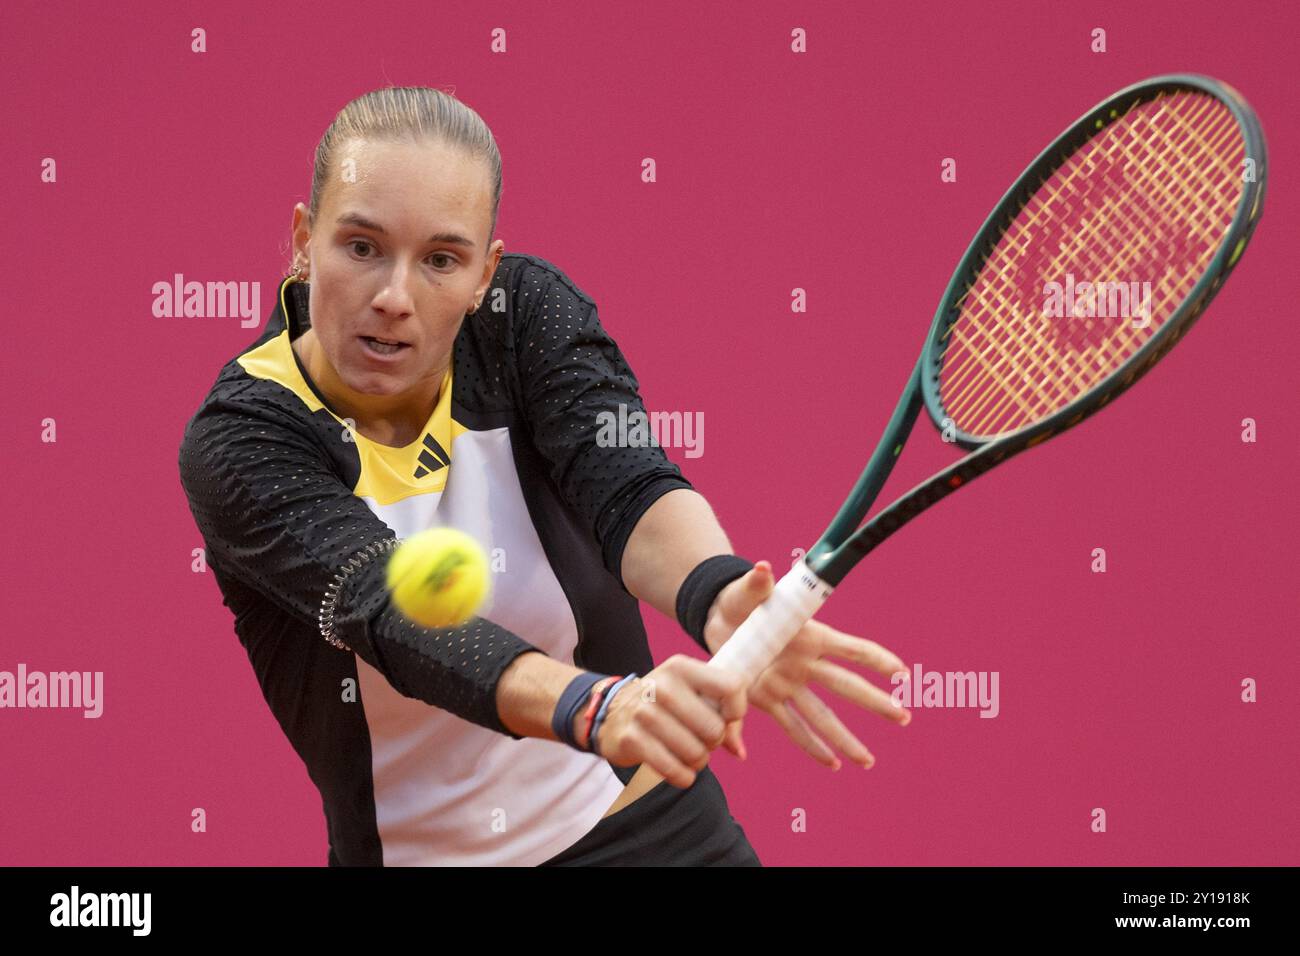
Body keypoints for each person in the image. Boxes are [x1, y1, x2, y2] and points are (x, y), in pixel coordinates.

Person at [177, 86, 911, 866]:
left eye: (441, 261)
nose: (394, 297)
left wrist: (719, 594)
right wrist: (599, 707)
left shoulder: (522, 319)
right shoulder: (244, 439)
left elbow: (623, 481)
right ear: (302, 238)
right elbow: (384, 609)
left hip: (646, 833)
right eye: (361, 247)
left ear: (484, 272)